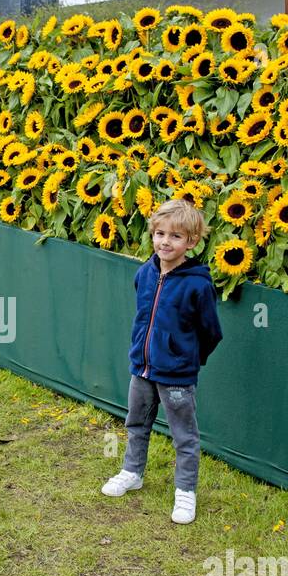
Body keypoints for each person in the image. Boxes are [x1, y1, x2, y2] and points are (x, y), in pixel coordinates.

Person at [101, 199, 222, 524]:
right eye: (159, 233)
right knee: (136, 423)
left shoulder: (198, 285)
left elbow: (211, 332)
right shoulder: (145, 273)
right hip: (141, 370)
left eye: (175, 236)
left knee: (184, 435)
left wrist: (186, 360)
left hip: (177, 376)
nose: (165, 242)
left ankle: (185, 493)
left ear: (192, 242)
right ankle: (132, 472)